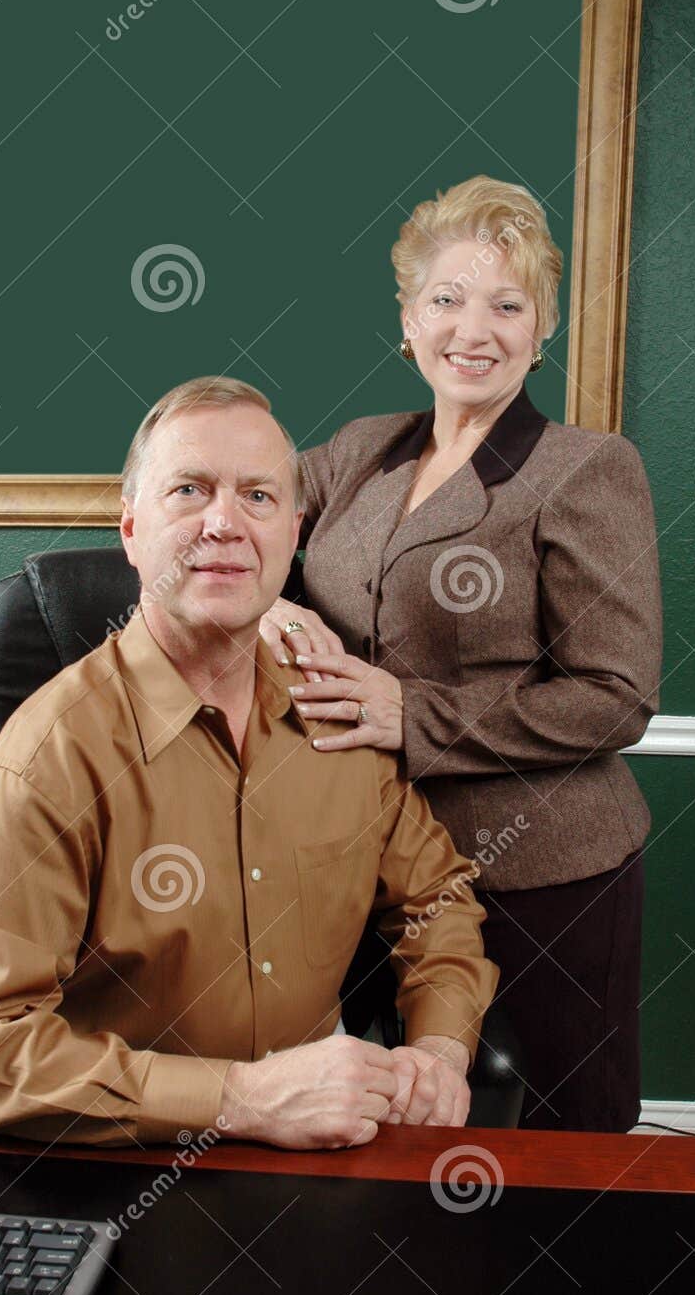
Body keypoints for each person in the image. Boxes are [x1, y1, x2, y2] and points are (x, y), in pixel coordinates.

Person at [0, 377, 498, 1151]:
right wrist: (241, 1099)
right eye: (190, 490)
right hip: (117, 1166)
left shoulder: (332, 707)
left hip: (327, 1155)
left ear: (292, 537)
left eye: (257, 497)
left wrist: (439, 1046)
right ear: (130, 530)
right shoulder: (50, 757)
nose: (224, 523)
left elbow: (438, 902)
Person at [259, 176, 662, 1132]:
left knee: (570, 1136)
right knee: (393, 1119)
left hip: (539, 869)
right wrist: (272, 610)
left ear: (539, 330)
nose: (473, 328)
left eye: (507, 304)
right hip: (367, 854)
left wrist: (411, 713)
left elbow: (617, 695)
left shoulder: (586, 469)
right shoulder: (364, 447)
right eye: (447, 299)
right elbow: (231, 508)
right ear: (408, 318)